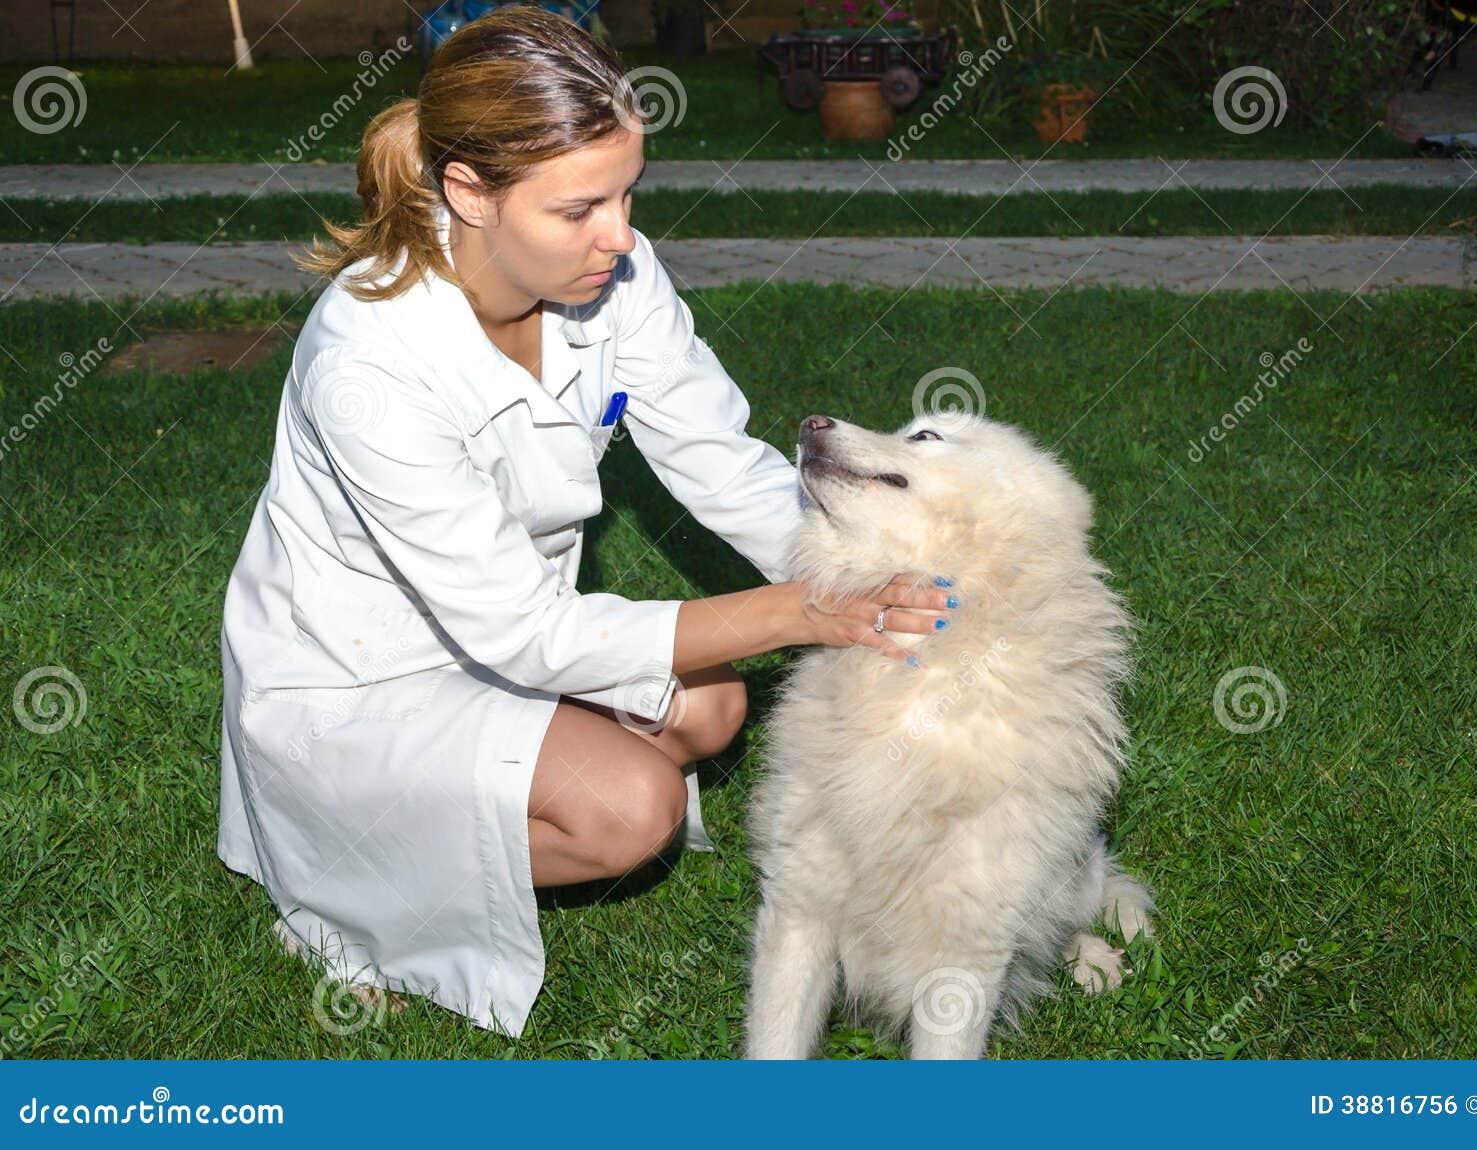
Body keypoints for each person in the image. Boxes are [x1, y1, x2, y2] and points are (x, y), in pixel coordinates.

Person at [215, 6, 956, 1037]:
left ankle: (500, 788)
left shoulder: (612, 272)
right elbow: (523, 631)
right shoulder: (368, 362)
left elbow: (719, 460)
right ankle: (340, 889)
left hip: (508, 625)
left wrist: (890, 558)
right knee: (634, 812)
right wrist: (809, 609)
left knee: (712, 706)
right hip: (358, 680)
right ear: (469, 191)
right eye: (579, 209)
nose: (620, 236)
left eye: (626, 194)